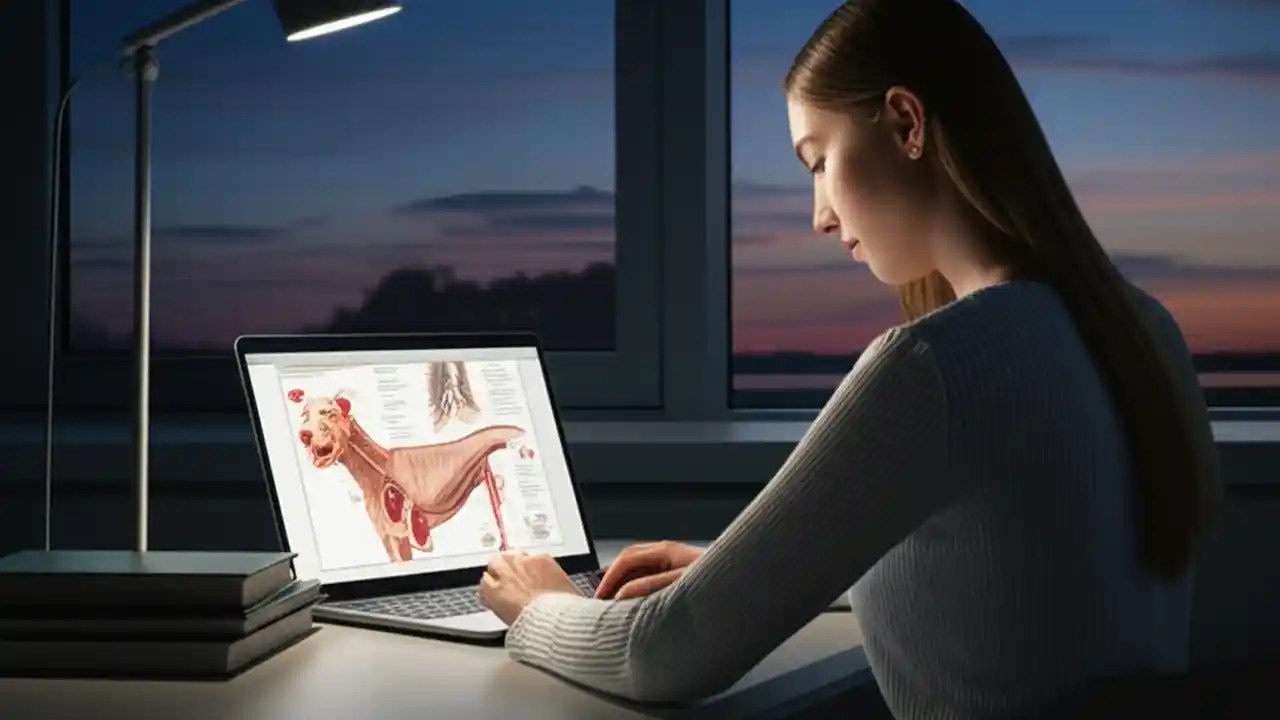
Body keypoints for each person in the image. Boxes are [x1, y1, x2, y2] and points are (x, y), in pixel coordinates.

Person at [477, 0, 1223, 717]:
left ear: (906, 122)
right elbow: (1016, 585)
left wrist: (539, 606)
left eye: (819, 160)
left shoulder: (932, 366)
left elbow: (660, 656)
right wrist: (742, 576)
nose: (820, 216)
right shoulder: (1144, 328)